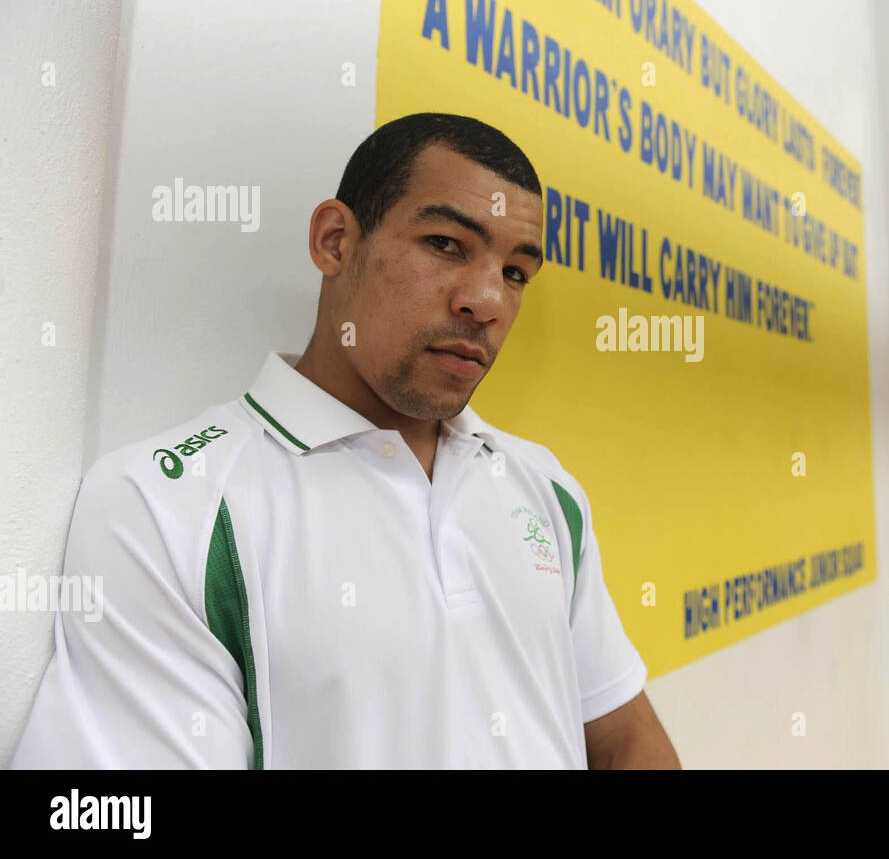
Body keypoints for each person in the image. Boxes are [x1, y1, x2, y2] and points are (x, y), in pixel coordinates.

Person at [12, 113, 680, 769]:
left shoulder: (545, 488)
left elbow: (622, 737)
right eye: (447, 244)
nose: (487, 300)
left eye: (516, 272)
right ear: (335, 241)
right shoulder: (165, 503)